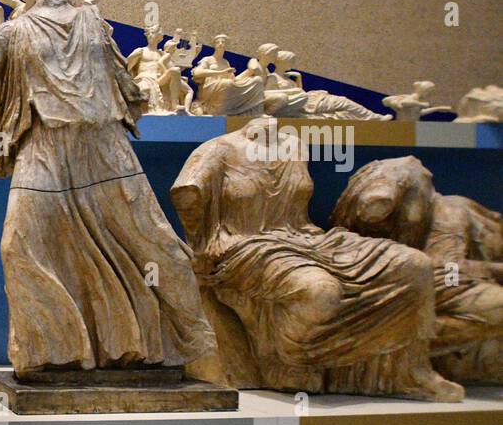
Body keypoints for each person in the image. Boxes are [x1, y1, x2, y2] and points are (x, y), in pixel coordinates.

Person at [0, 0, 216, 377]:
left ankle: (54, 352)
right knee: (149, 242)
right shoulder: (96, 26)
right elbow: (133, 94)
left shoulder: (10, 32)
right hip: (105, 147)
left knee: (22, 247)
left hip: (47, 147)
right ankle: (174, 341)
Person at [171, 122, 462, 401]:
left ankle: (411, 371)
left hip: (305, 238)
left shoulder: (294, 145)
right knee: (321, 292)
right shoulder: (217, 150)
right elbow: (186, 193)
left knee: (413, 265)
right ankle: (286, 357)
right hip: (244, 246)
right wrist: (201, 245)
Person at [332, 155, 503, 384]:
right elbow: (449, 274)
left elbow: (450, 273)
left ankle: (389, 349)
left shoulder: (449, 212)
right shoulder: (365, 214)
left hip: (446, 292)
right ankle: (385, 349)